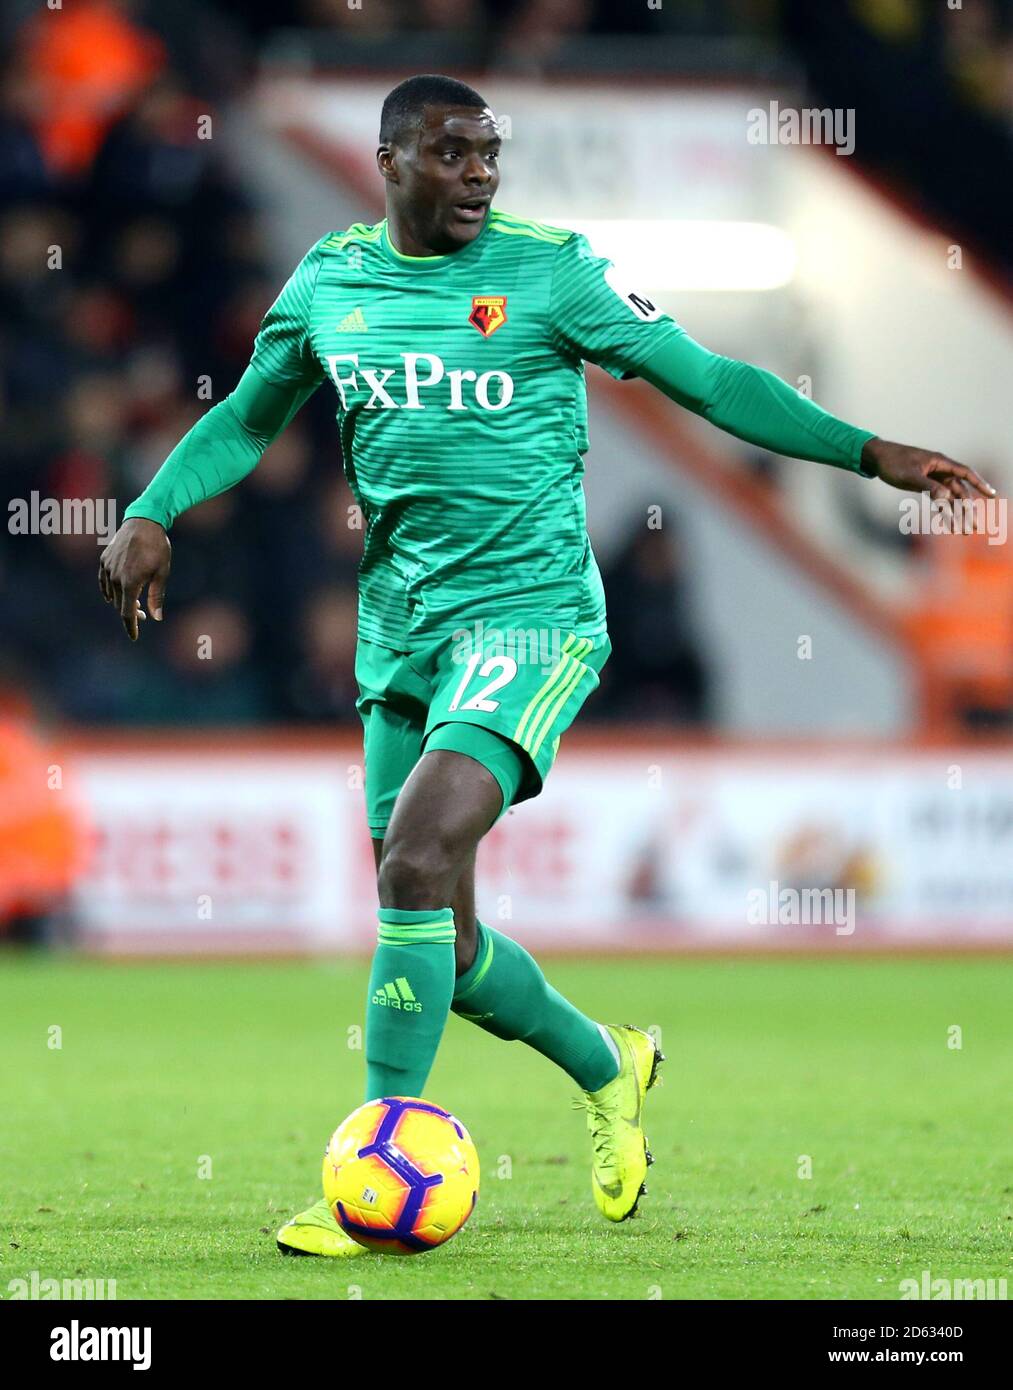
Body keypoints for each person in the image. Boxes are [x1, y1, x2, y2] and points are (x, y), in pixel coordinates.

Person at [98, 74, 996, 1257]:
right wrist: (155, 507)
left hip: (529, 621)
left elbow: (709, 381)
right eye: (453, 153)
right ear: (390, 161)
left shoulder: (553, 269)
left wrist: (868, 451)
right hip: (401, 632)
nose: (480, 174)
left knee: (415, 859)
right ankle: (607, 1061)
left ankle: (374, 1163)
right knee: (444, 940)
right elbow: (250, 419)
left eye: (489, 154)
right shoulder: (331, 281)